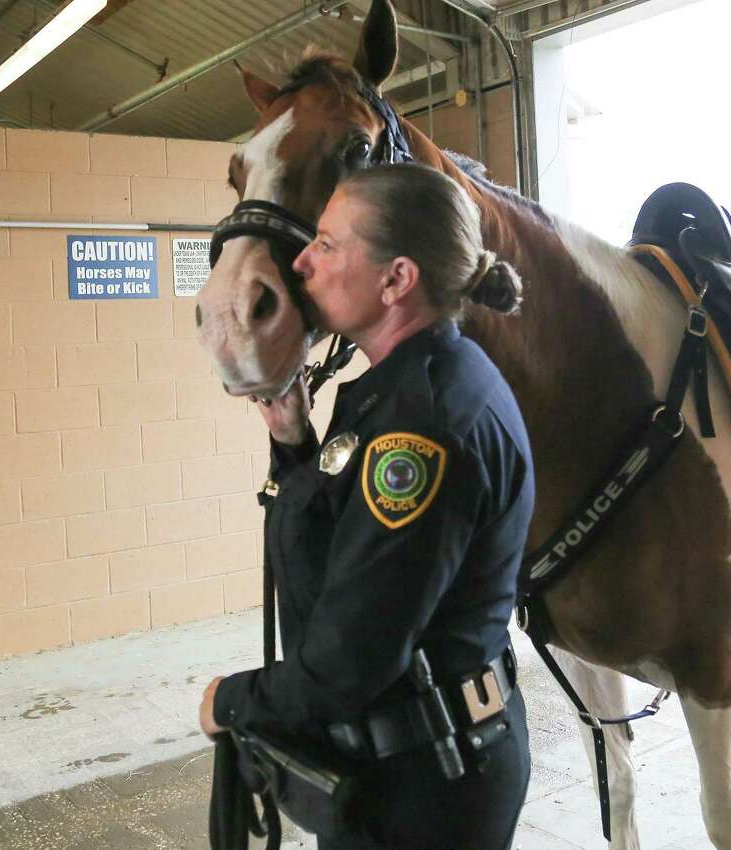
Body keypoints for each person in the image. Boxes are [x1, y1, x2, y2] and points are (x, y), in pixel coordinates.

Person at [198, 163, 534, 850]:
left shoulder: (421, 430)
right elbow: (336, 563)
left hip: (420, 794)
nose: (302, 262)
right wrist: (294, 444)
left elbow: (346, 665)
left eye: (327, 244)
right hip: (415, 767)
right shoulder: (409, 385)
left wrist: (230, 703)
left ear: (396, 280)